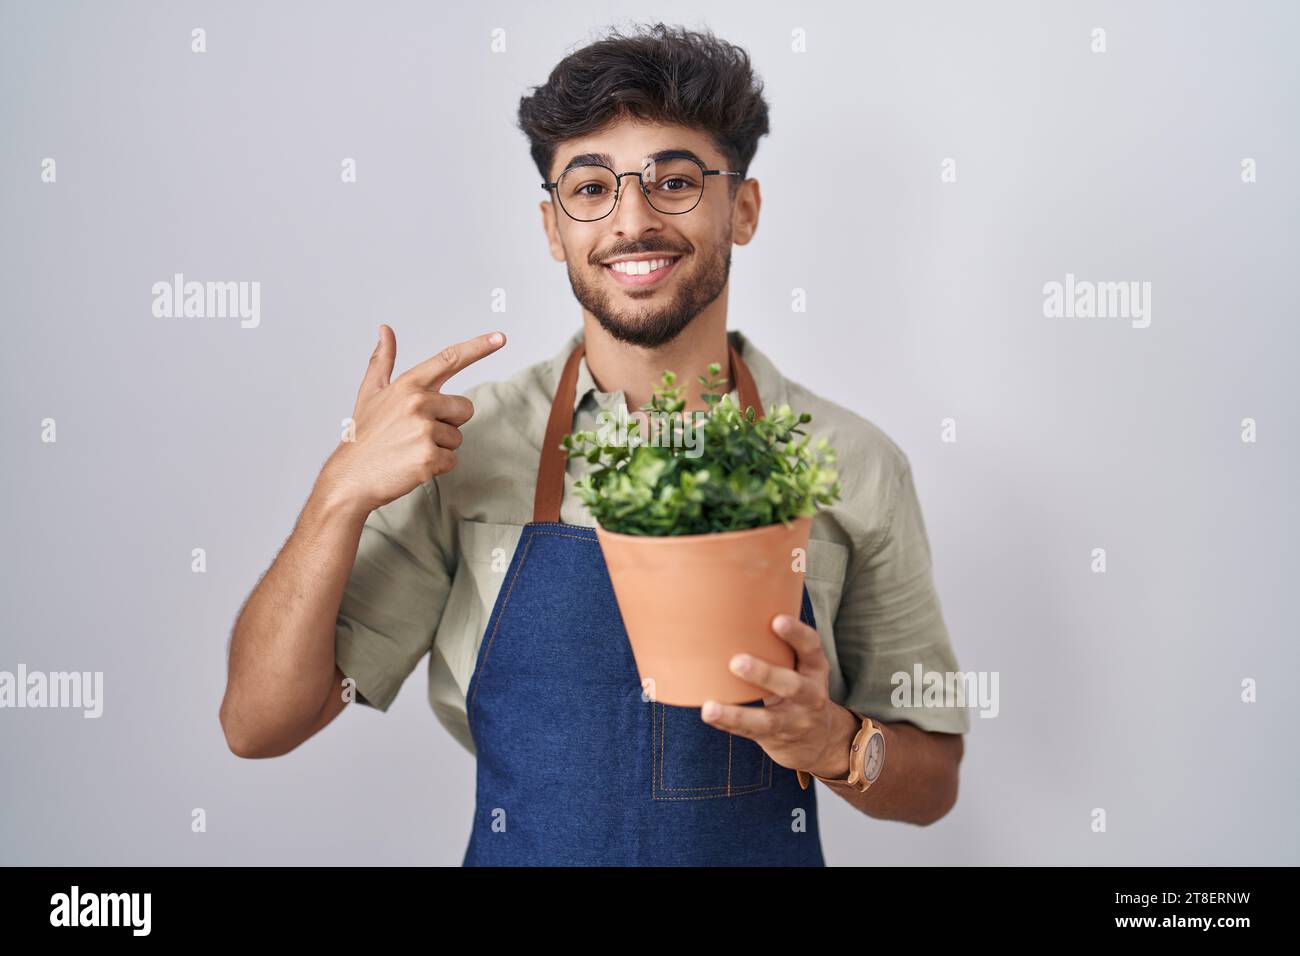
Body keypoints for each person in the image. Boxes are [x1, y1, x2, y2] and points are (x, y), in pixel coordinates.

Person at [220, 22, 968, 866]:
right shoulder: (462, 446)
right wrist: (339, 494)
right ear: (553, 227)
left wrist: (836, 742)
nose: (632, 221)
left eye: (675, 182)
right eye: (590, 188)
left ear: (745, 209)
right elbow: (258, 725)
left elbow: (933, 779)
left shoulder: (853, 461)